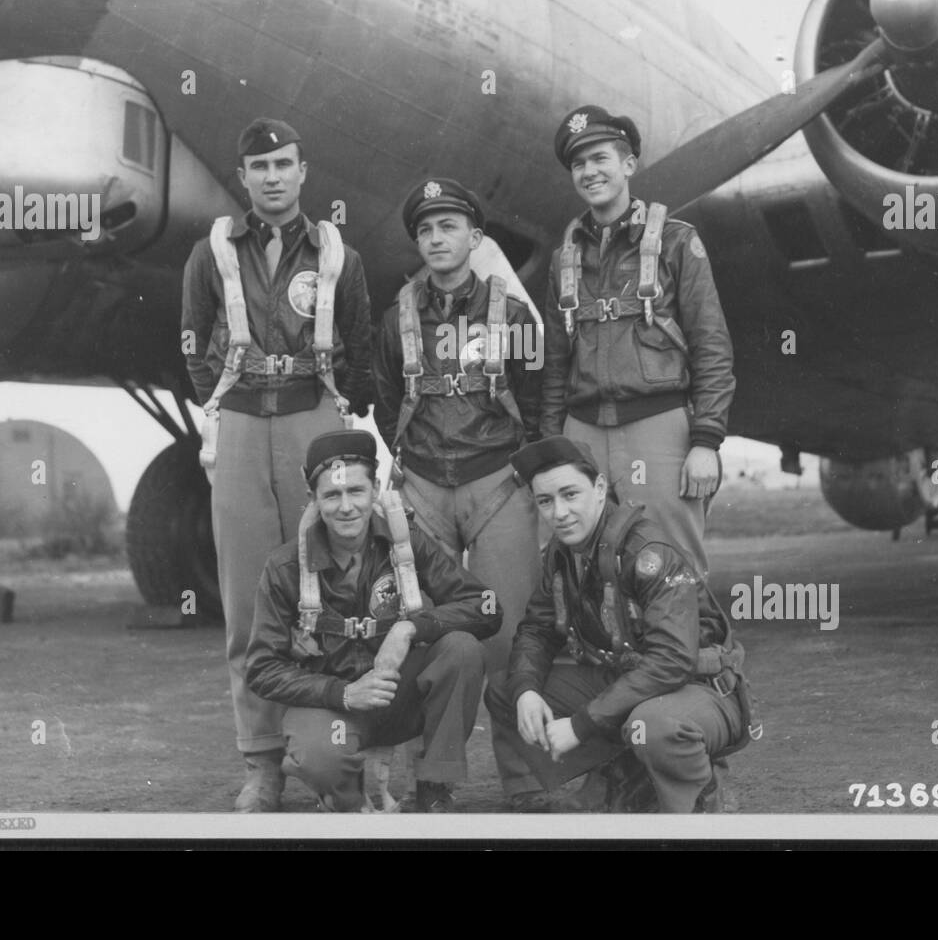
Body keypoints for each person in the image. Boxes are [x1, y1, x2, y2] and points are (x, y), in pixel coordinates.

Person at [181, 117, 373, 812]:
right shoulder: (211, 252)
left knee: (327, 588)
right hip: (237, 421)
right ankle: (262, 762)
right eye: (258, 165)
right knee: (247, 597)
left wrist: (333, 414)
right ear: (243, 177)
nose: (271, 176)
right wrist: (221, 404)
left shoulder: (335, 252)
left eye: (282, 163)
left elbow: (358, 340)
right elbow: (192, 336)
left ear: (303, 171)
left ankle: (328, 753)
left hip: (311, 420)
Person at [484, 436, 753, 813]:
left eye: (570, 494)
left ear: (598, 489)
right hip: (630, 681)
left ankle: (699, 796)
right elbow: (537, 630)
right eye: (546, 501)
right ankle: (623, 773)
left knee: (655, 725)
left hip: (696, 688)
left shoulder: (647, 551)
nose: (559, 512)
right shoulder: (563, 552)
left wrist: (580, 725)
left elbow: (671, 661)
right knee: (505, 689)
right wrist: (526, 690)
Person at [246, 430, 503, 813]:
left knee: (462, 650)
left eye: (356, 491)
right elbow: (262, 667)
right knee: (321, 758)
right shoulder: (285, 568)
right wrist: (342, 693)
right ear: (313, 500)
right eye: (332, 495)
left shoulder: (406, 543)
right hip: (334, 705)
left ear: (375, 490)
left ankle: (434, 786)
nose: (346, 507)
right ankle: (349, 804)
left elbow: (485, 607)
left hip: (399, 697)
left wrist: (411, 627)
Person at [540, 105, 736, 577]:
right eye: (579, 164)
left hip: (660, 425)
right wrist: (550, 445)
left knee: (672, 567)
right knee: (587, 569)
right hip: (582, 430)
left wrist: (706, 440)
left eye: (600, 158)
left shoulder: (676, 242)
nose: (590, 172)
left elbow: (711, 345)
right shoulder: (563, 259)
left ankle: (694, 654)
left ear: (628, 165)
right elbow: (554, 363)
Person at [373, 176, 542, 672]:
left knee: (509, 632)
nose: (437, 238)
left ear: (475, 238)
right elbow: (386, 402)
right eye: (425, 230)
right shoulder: (393, 322)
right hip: (422, 486)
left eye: (449, 226)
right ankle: (436, 754)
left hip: (498, 482)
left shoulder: (514, 318)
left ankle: (518, 751)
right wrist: (419, 459)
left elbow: (534, 400)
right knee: (423, 632)